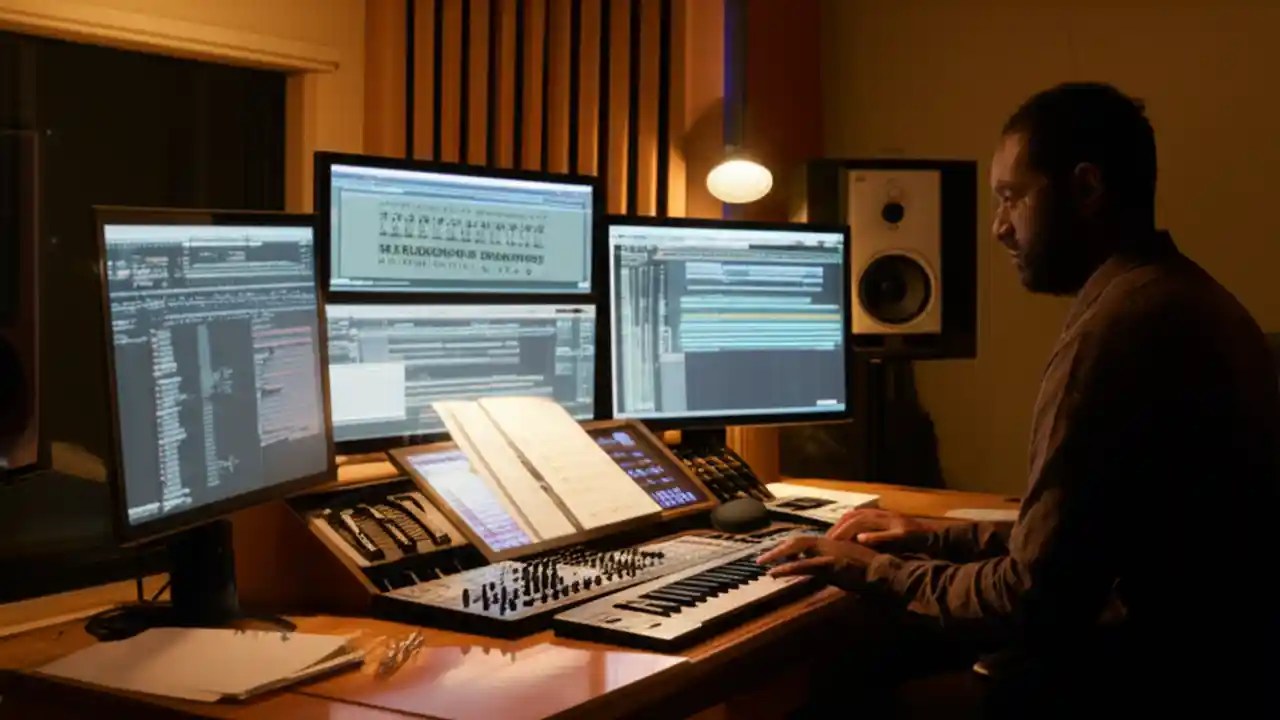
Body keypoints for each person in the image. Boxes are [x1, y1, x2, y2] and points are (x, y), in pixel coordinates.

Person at [760, 82, 1280, 716]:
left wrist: (869, 569)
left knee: (842, 689)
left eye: (1012, 197)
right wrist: (935, 537)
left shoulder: (1114, 334)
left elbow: (1031, 597)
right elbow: (1078, 543)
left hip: (1140, 682)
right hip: (1211, 667)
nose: (999, 227)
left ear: (1086, 188)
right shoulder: (1180, 296)